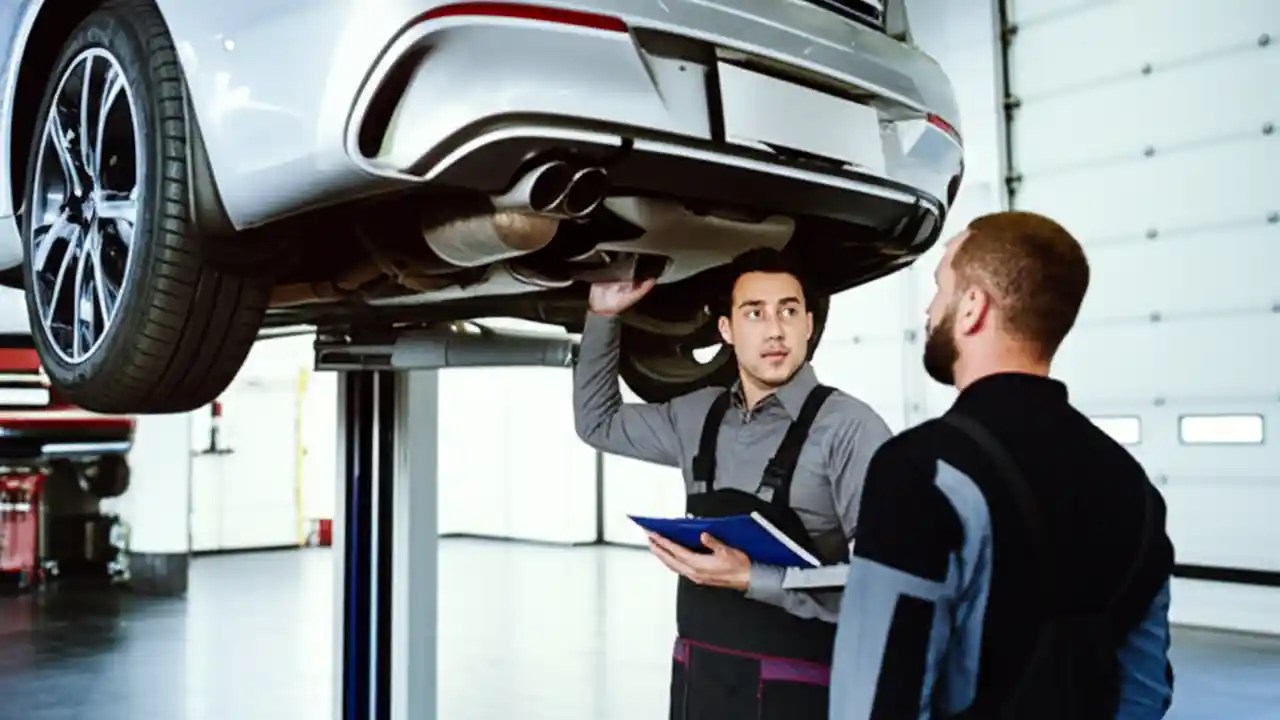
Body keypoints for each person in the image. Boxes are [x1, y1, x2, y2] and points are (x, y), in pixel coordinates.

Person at [828, 211, 1175, 719]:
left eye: (940, 286)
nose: (929, 309)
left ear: (972, 307)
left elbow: (874, 701)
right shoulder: (1134, 487)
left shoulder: (921, 472)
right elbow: (1145, 692)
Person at [573, 247, 893, 720]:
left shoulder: (849, 429)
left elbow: (883, 580)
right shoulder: (698, 414)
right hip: (698, 680)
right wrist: (601, 314)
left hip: (796, 689)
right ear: (726, 330)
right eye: (754, 313)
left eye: (788, 311)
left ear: (808, 324)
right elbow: (597, 423)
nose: (775, 330)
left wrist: (753, 577)